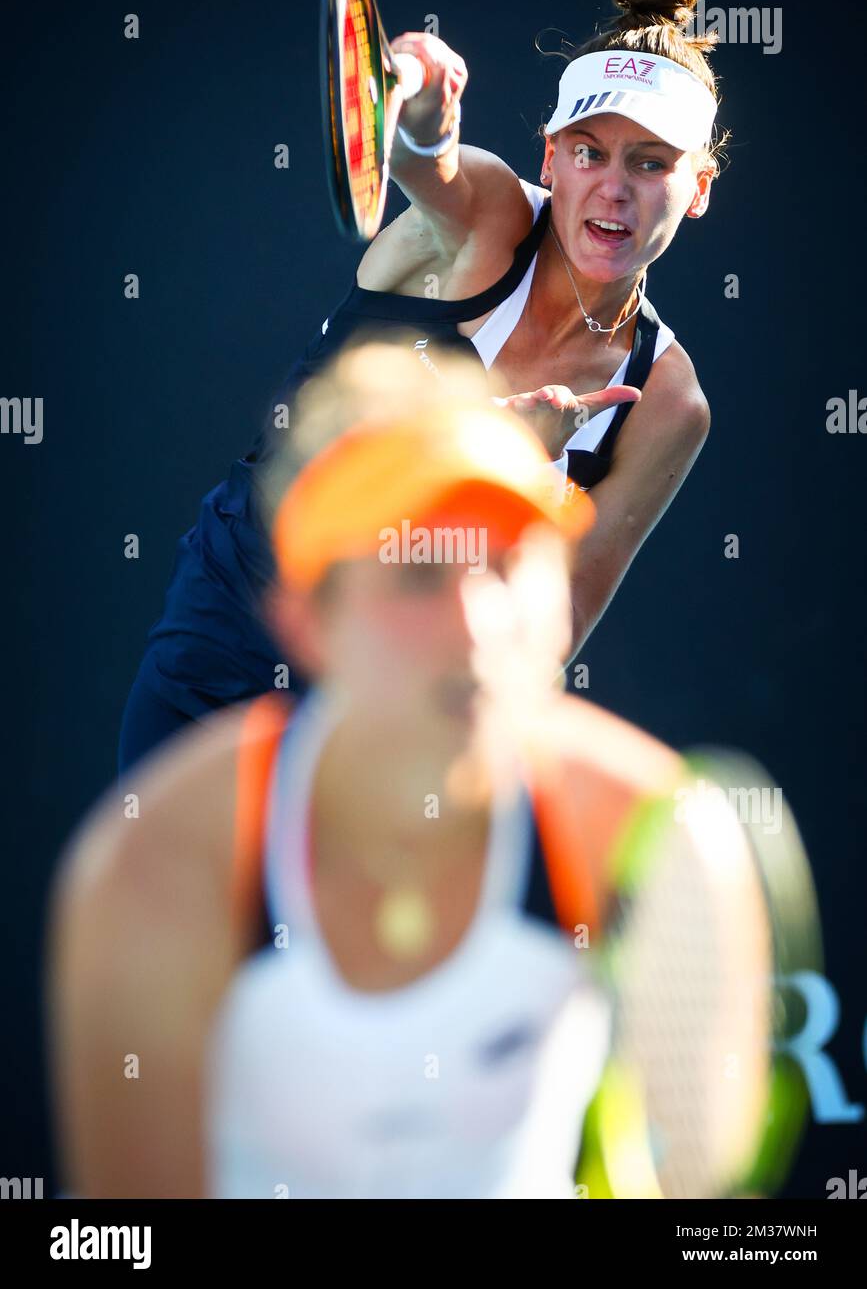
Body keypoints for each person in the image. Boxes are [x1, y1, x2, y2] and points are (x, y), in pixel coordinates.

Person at [50, 350, 712, 1199]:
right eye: (417, 574)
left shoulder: (646, 833)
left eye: (510, 563)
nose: (476, 622)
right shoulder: (155, 867)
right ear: (305, 622)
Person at [119, 0, 722, 780]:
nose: (611, 189)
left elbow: (558, 625)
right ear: (550, 155)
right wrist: (420, 108)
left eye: (650, 163)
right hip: (239, 620)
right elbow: (424, 160)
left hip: (407, 695)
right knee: (171, 903)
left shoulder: (667, 403)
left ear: (697, 188)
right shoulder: (485, 219)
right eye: (587, 152)